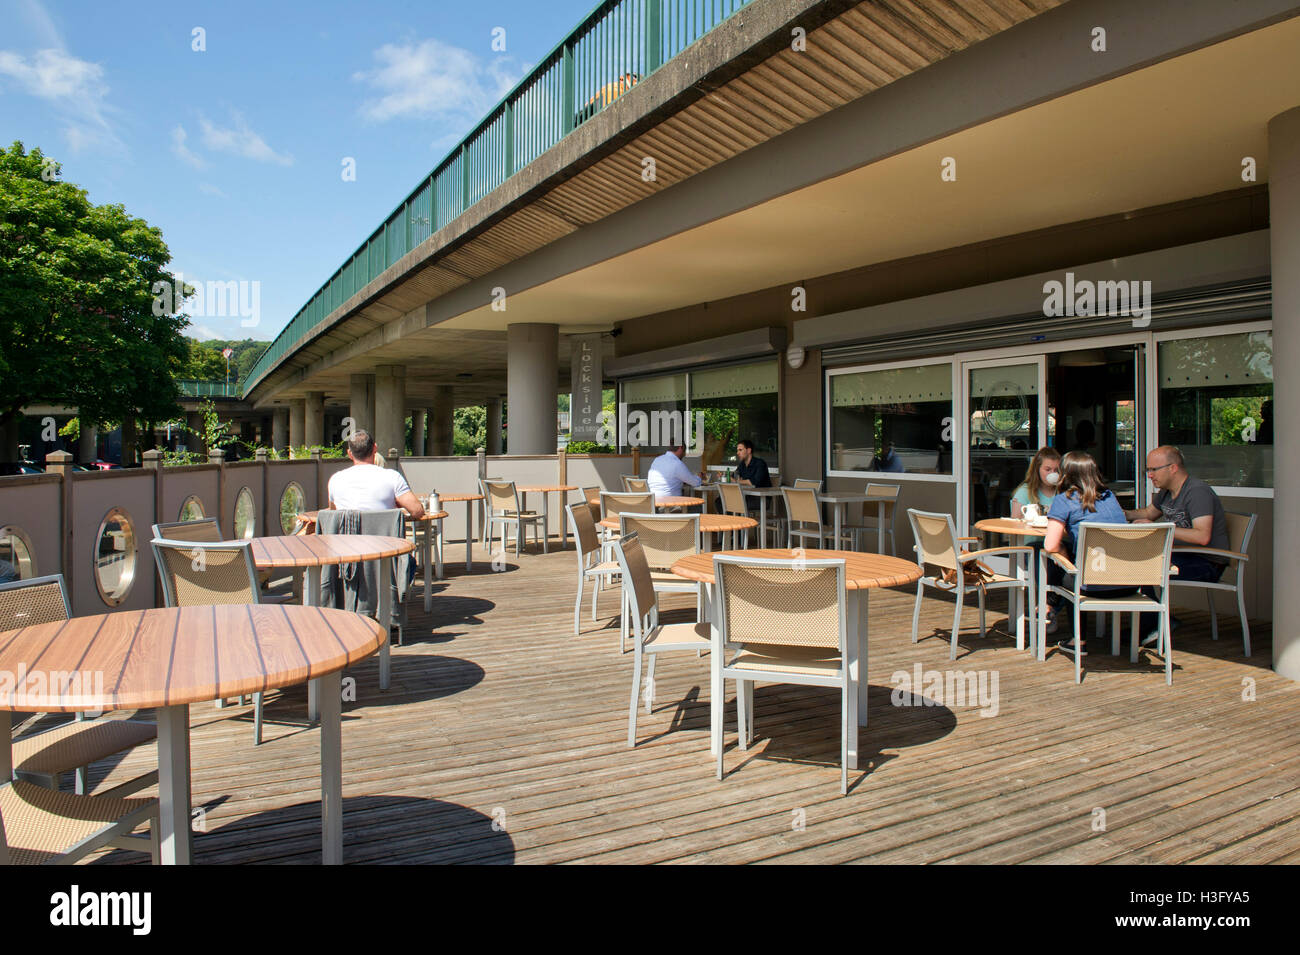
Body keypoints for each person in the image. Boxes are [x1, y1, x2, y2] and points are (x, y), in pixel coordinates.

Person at [1125, 445, 1229, 643]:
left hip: (1207, 563)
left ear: (1172, 468)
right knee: (1134, 560)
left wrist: (1160, 527)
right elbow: (1148, 513)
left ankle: (1155, 623)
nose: (1149, 475)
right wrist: (1124, 514)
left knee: (1142, 567)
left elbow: (1202, 536)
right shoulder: (1166, 491)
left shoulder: (1197, 492)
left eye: (1153, 470)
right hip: (1183, 556)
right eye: (1148, 470)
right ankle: (1153, 622)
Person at [1041, 451, 1129, 647]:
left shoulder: (1065, 499)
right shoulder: (1109, 497)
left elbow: (1050, 545)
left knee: (1057, 563)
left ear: (1065, 474)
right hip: (1128, 582)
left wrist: (1062, 551)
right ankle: (1051, 608)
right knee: (1075, 563)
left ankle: (1072, 635)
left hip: (1093, 586)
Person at [328, 430, 425, 519]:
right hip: (383, 537)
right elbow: (417, 510)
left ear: (349, 454)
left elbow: (333, 513)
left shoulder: (335, 480)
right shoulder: (392, 477)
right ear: (375, 448)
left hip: (346, 538)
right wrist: (397, 520)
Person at [1010, 447, 1061, 518]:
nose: (1052, 473)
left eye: (1056, 470)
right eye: (1047, 469)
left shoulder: (1063, 491)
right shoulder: (1025, 491)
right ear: (1037, 469)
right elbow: (1015, 521)